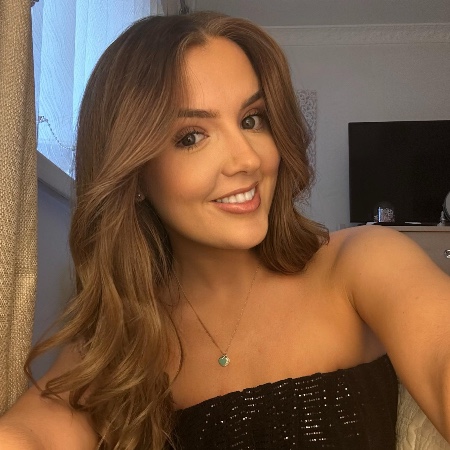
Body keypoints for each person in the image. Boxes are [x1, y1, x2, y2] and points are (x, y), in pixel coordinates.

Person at [1, 11, 449, 450]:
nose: (247, 160)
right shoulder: (118, 338)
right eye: (191, 136)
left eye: (251, 119)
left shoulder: (365, 262)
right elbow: (32, 434)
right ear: (134, 174)